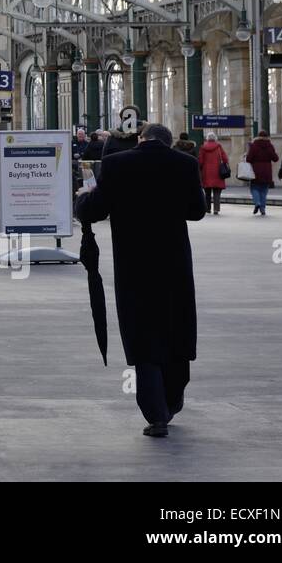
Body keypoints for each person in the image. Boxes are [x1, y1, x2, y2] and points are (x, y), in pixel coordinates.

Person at [76, 123, 206, 438]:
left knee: (143, 334)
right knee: (176, 329)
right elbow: (197, 211)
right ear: (169, 141)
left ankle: (156, 414)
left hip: (134, 265)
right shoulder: (185, 164)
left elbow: (95, 209)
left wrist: (83, 197)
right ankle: (173, 399)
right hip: (174, 263)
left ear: (140, 139)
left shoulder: (117, 164)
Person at [245, 130, 279, 216]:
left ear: (258, 136)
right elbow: (275, 158)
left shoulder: (254, 145)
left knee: (254, 188)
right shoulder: (270, 146)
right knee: (264, 190)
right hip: (267, 170)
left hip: (255, 170)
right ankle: (263, 209)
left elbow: (249, 159)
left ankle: (257, 203)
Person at [197, 132, 228, 215]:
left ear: (207, 138)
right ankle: (216, 209)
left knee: (207, 192)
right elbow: (225, 159)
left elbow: (200, 161)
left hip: (206, 173)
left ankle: (207, 208)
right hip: (218, 172)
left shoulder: (203, 148)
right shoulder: (219, 147)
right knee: (217, 192)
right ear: (215, 138)